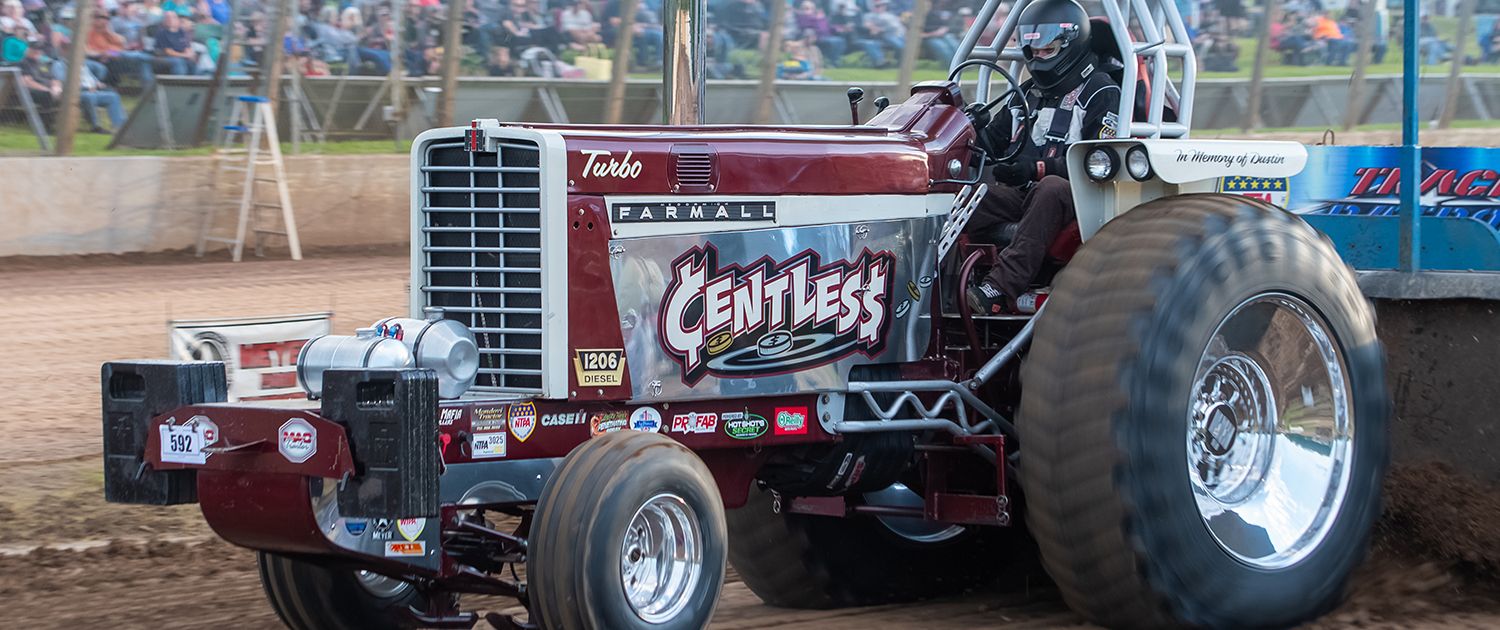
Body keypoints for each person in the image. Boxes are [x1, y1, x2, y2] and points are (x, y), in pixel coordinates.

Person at [965, 0, 1121, 315]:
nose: (1037, 58)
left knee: (1049, 187)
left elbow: (1100, 162)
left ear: (1070, 41)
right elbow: (991, 147)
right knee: (969, 196)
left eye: (1046, 50)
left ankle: (999, 288)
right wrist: (972, 130)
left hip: (1081, 195)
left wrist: (1035, 169)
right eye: (1032, 51)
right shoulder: (1027, 93)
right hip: (1027, 195)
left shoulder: (1101, 91)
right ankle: (940, 280)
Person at [153, 10, 196, 75]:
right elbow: (168, 51)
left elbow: (187, 46)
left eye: (173, 17)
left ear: (177, 20)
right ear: (164, 20)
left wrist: (190, 54)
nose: (170, 19)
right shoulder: (161, 33)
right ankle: (178, 83)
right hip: (164, 58)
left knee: (192, 62)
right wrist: (185, 55)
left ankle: (196, 83)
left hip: (181, 56)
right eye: (167, 17)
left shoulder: (182, 32)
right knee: (178, 62)